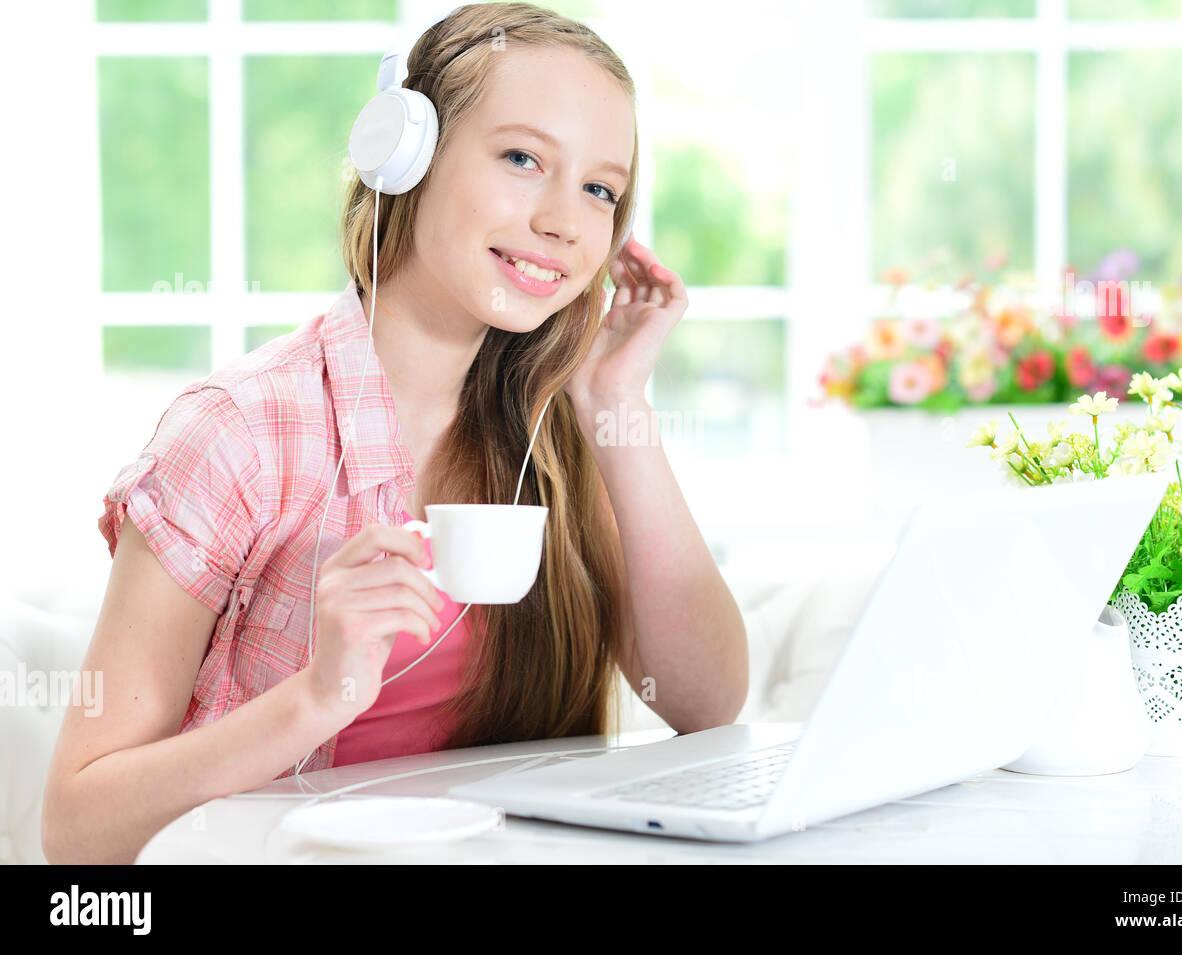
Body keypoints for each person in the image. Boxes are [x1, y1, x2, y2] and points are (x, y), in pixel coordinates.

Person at [42, 2, 747, 866]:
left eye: (600, 190)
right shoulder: (238, 435)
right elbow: (75, 829)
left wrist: (616, 400)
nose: (566, 221)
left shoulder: (556, 429)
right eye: (523, 159)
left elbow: (707, 702)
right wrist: (313, 698)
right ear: (404, 153)